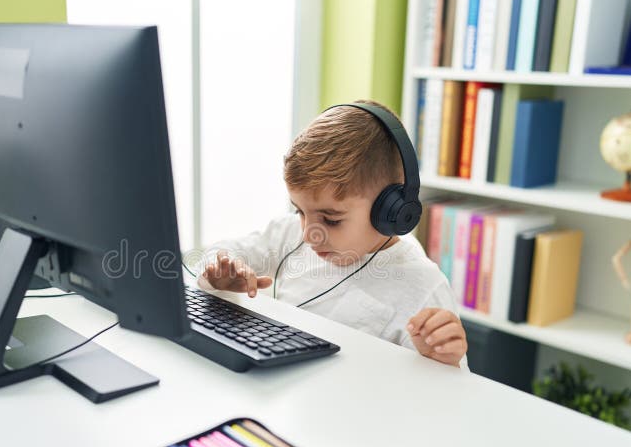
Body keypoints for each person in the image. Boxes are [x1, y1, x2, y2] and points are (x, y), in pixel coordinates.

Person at [196, 100, 468, 368]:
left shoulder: (423, 287)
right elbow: (221, 250)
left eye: (331, 219)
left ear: (391, 211)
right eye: (300, 211)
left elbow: (451, 394)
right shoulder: (289, 234)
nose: (309, 234)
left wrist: (442, 360)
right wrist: (219, 272)